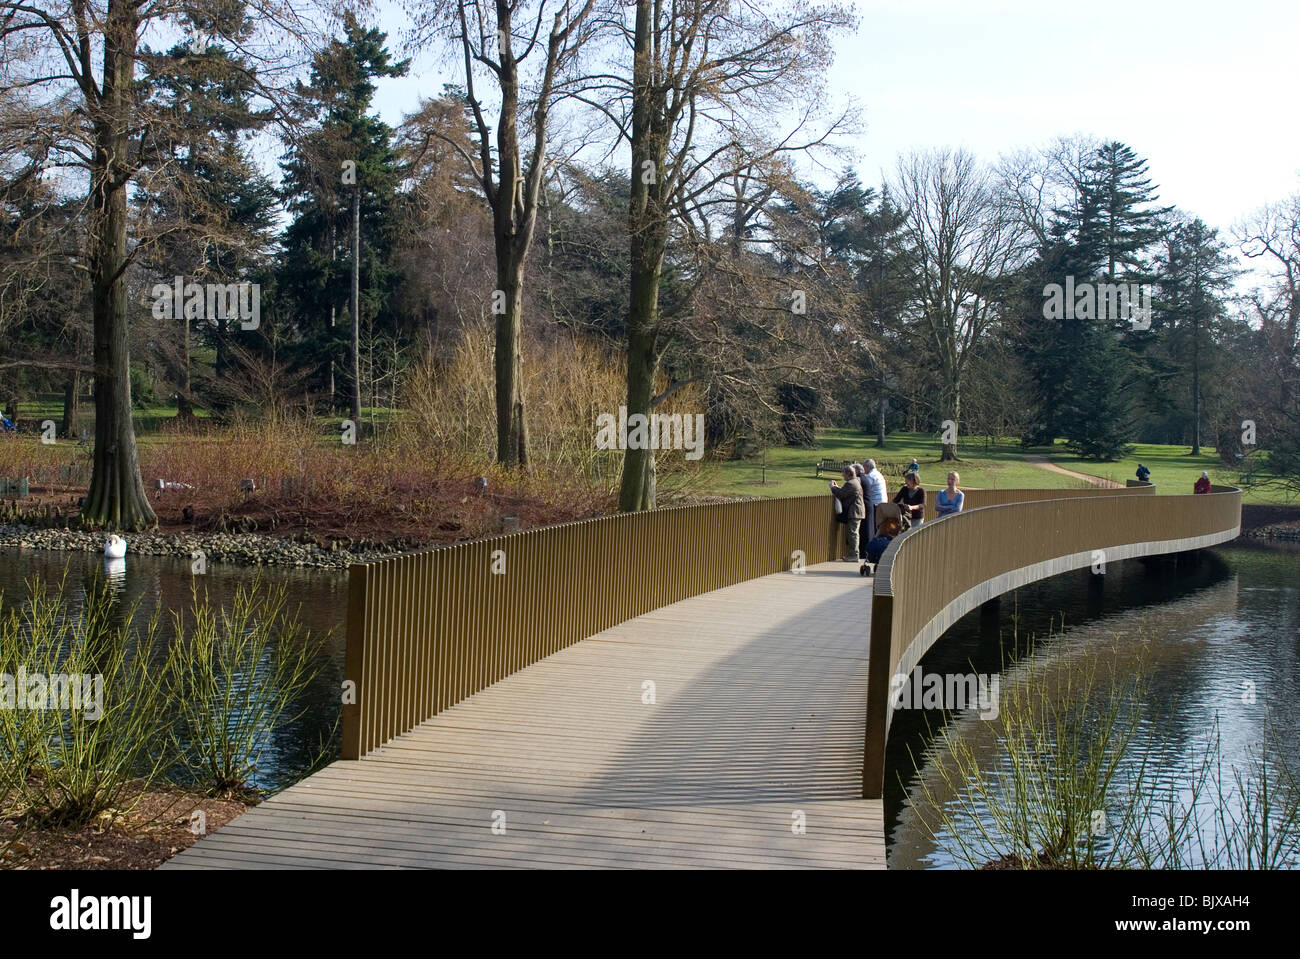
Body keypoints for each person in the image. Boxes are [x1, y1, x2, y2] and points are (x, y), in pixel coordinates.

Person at [829, 466, 866, 561]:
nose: (842, 475)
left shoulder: (851, 483)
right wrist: (837, 487)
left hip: (854, 512)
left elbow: (841, 494)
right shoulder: (855, 482)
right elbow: (844, 492)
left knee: (852, 533)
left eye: (844, 473)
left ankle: (854, 555)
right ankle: (853, 554)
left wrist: (833, 488)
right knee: (853, 533)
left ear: (849, 474)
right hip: (857, 511)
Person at [861, 458, 889, 545]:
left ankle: (873, 546)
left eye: (864, 467)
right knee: (879, 526)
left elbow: (864, 488)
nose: (863, 469)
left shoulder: (871, 476)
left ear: (868, 466)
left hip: (875, 503)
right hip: (883, 502)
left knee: (872, 526)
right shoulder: (878, 474)